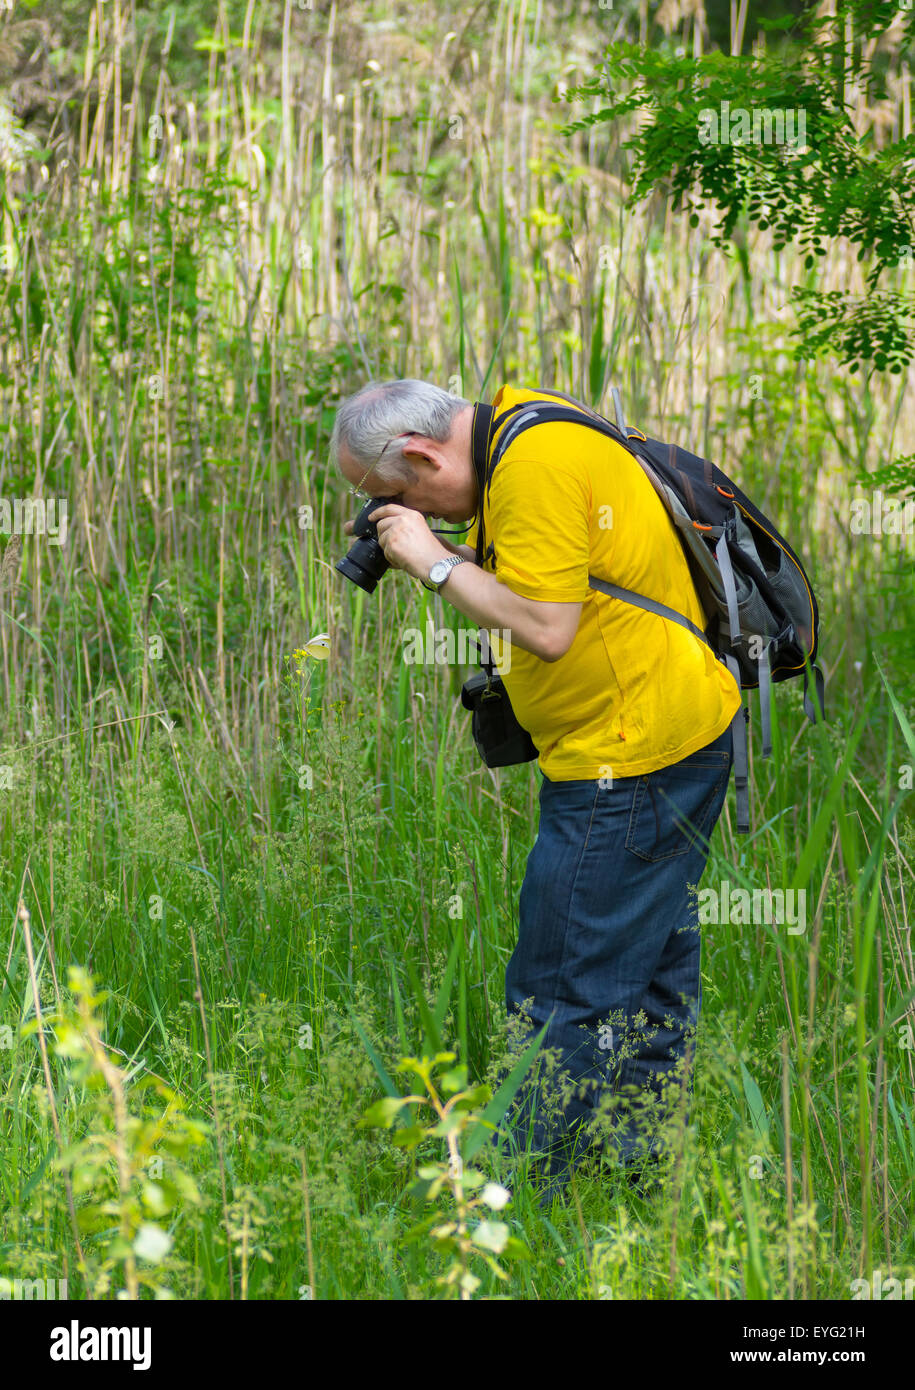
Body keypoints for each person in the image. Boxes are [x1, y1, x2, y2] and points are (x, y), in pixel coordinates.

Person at [331, 378, 740, 1207]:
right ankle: (638, 1174)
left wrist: (434, 561)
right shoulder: (523, 437)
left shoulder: (536, 465)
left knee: (561, 984)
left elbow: (548, 631)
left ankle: (507, 1205)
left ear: (421, 452)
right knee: (652, 974)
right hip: (669, 732)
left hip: (627, 758)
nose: (402, 516)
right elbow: (549, 585)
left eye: (396, 497)